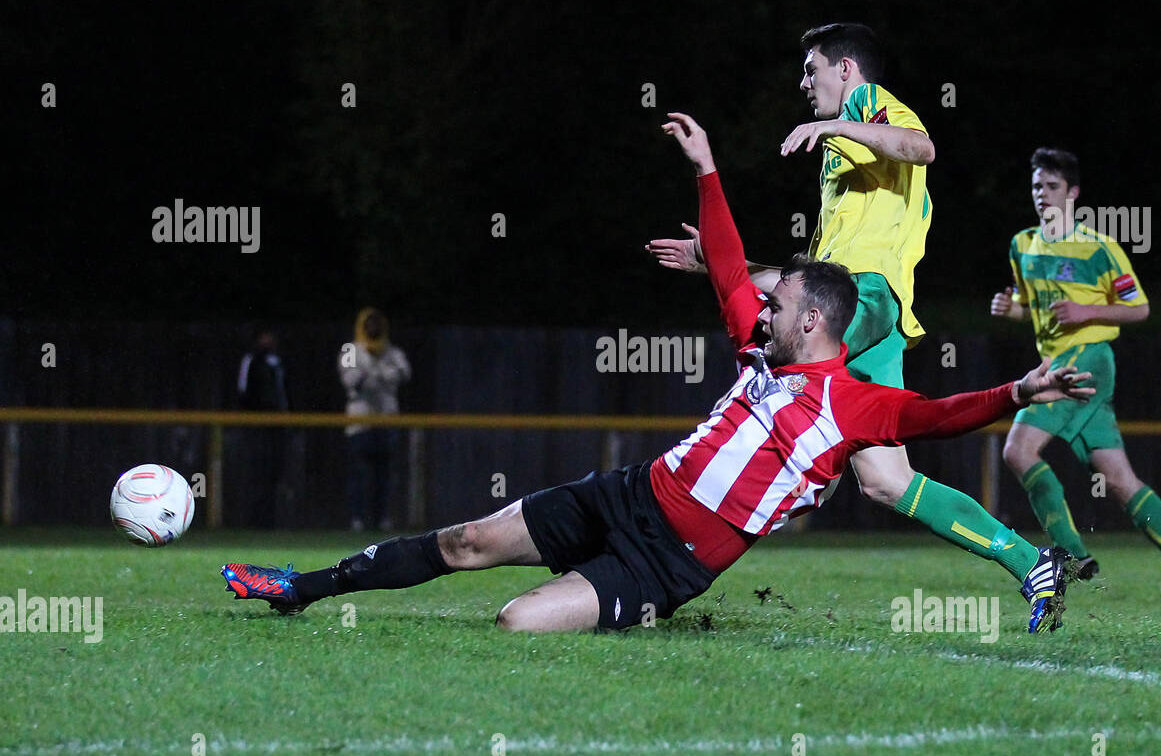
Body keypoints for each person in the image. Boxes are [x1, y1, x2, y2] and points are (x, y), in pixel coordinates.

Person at [224, 114, 1093, 634]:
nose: (766, 302)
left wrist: (1019, 392)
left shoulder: (856, 403)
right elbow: (724, 268)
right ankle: (304, 588)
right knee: (467, 542)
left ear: (815, 320)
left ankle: (1028, 559)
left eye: (781, 296)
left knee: (517, 620)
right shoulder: (763, 344)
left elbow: (940, 416)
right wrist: (709, 168)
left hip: (669, 564)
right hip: (630, 494)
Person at [648, 22, 1055, 591]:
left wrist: (834, 123)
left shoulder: (866, 104)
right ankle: (1031, 562)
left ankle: (671, 520)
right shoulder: (844, 164)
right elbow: (798, 288)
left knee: (773, 373)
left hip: (866, 300)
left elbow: (922, 147)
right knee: (888, 482)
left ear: (846, 69)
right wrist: (713, 262)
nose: (803, 81)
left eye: (812, 68)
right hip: (866, 315)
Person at [990, 147, 1161, 599]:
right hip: (1061, 361)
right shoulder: (1022, 245)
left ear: (1073, 193)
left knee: (1018, 451)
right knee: (1119, 480)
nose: (1042, 195)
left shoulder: (1099, 246)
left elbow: (1140, 308)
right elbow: (1032, 310)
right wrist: (1011, 310)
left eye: (1052, 187)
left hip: (1087, 359)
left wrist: (1085, 309)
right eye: (1037, 186)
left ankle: (1069, 554)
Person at [339, 308, 411, 532]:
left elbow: (404, 374)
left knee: (384, 476)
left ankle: (382, 520)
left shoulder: (392, 352)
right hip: (359, 423)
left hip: (386, 421)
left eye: (376, 323)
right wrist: (377, 373)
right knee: (359, 475)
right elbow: (351, 380)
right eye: (368, 324)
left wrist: (374, 373)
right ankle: (357, 520)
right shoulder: (351, 350)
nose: (373, 328)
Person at [236, 329, 289, 528]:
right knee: (256, 474)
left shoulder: (281, 361)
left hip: (278, 426)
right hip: (257, 426)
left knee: (274, 475)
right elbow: (243, 392)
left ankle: (272, 522)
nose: (268, 339)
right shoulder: (252, 360)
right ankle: (253, 522)